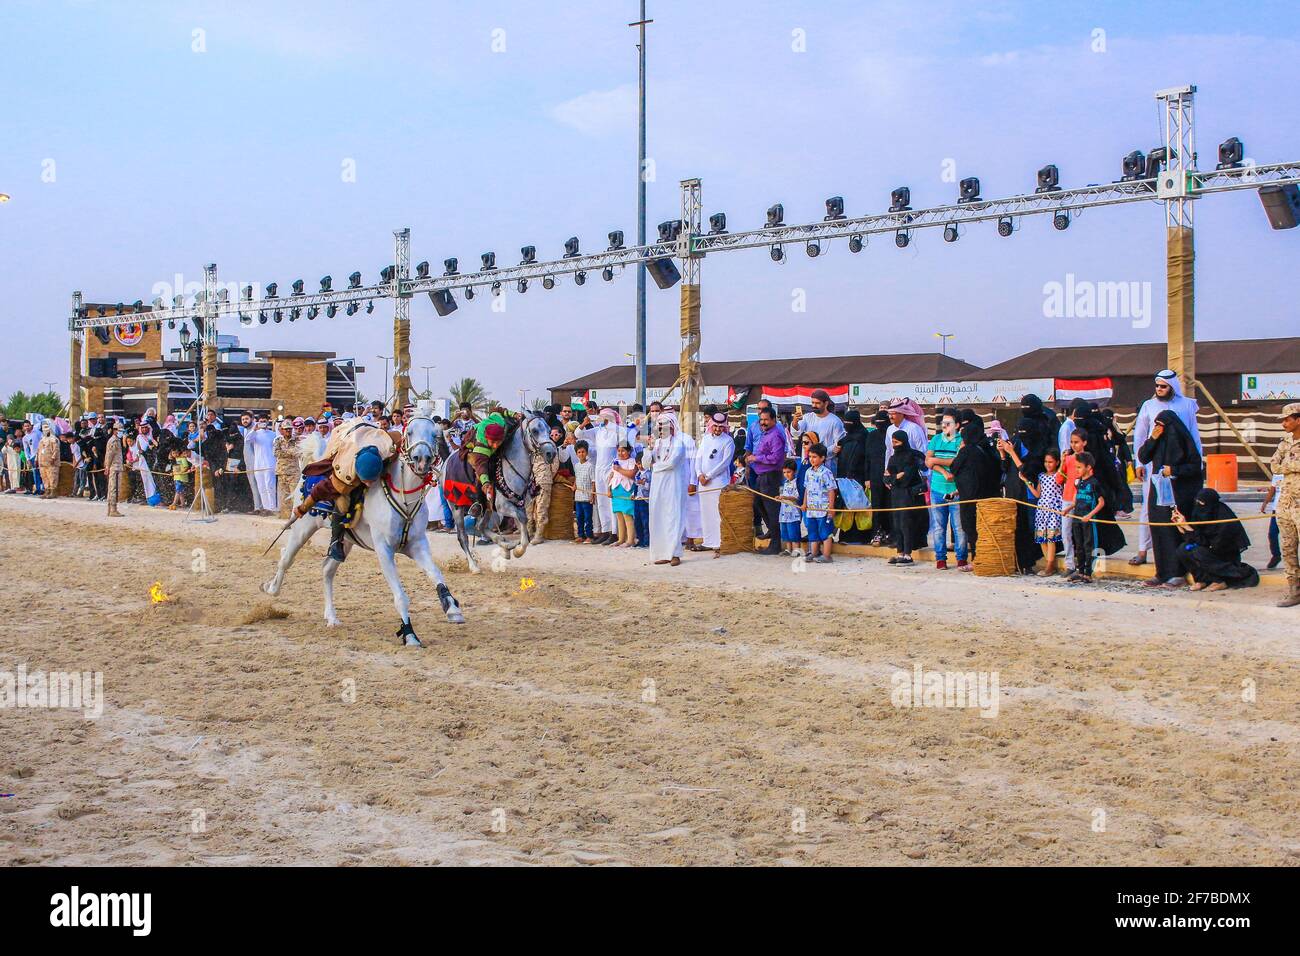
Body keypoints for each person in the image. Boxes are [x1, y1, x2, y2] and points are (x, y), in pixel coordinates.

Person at [296, 415, 400, 561]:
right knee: (343, 503)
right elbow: (318, 491)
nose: (369, 484)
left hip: (368, 433)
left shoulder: (388, 448)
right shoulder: (344, 472)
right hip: (342, 438)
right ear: (357, 474)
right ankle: (335, 541)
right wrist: (302, 508)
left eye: (372, 480)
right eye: (366, 481)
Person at [1131, 371, 1203, 565]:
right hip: (1154, 464)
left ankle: (1184, 555)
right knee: (1149, 507)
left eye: (1163, 386)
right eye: (1157, 386)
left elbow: (1194, 435)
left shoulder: (1187, 404)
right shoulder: (1149, 405)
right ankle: (1143, 550)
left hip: (1180, 465)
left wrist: (1199, 462)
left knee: (1180, 509)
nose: (1159, 389)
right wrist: (1139, 463)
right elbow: (1140, 435)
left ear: (1172, 386)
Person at [1137, 409, 1203, 588]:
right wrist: (1153, 439)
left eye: (1162, 426)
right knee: (1159, 531)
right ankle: (1162, 572)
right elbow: (1143, 456)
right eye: (1156, 425)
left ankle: (1177, 573)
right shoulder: (1156, 441)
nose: (1159, 428)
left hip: (1178, 493)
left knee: (1174, 533)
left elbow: (1195, 466)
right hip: (1158, 493)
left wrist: (1174, 470)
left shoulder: (1183, 441)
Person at [1171, 489, 1259, 591]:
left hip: (1224, 555)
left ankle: (1219, 581)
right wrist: (1181, 526)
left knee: (1198, 551)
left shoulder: (1224, 519)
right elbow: (1194, 538)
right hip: (1207, 550)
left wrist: (1187, 527)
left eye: (1202, 503)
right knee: (1183, 549)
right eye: (1197, 502)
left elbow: (1212, 545)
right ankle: (1201, 580)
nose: (1199, 506)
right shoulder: (1199, 514)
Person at [926, 412, 967, 570]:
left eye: (948, 423)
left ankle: (961, 559)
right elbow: (927, 461)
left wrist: (935, 460)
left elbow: (956, 461)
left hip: (956, 490)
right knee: (939, 527)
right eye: (943, 423)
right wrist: (944, 471)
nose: (944, 426)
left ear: (957, 425)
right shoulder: (935, 439)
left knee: (959, 527)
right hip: (937, 489)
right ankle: (940, 559)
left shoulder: (961, 441)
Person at [648, 410, 689, 566]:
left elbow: (671, 463)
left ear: (672, 427)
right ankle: (662, 553)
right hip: (657, 485)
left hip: (673, 485)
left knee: (673, 518)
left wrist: (655, 466)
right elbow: (646, 463)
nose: (661, 429)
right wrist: (648, 448)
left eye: (664, 425)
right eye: (659, 426)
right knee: (658, 517)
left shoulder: (679, 443)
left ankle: (675, 554)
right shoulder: (657, 443)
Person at [1270, 402, 1300, 608]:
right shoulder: (1285, 441)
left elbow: (1282, 465)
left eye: (1287, 419)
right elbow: (1274, 465)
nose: (1283, 423)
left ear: (1298, 420)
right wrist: (1292, 467)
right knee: (1288, 548)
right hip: (1285, 502)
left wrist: (1286, 466)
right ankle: (1294, 590)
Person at [746, 408, 786, 555]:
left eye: (766, 419)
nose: (763, 422)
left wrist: (756, 458)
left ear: (774, 420)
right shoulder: (766, 433)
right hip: (761, 475)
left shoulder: (775, 435)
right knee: (758, 503)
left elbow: (776, 458)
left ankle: (775, 544)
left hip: (770, 476)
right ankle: (772, 532)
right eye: (761, 419)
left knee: (772, 509)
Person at [884, 429, 927, 565]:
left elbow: (907, 478)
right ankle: (900, 552)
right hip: (896, 495)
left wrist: (893, 478)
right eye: (892, 442)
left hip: (909, 496)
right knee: (896, 523)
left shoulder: (911, 457)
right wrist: (895, 476)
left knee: (906, 524)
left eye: (896, 442)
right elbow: (886, 478)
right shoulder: (893, 457)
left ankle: (908, 554)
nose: (894, 445)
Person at [1062, 452, 1105, 583]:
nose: (1077, 470)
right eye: (1076, 467)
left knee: (1088, 546)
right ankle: (1080, 571)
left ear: (1088, 467)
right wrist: (1067, 509)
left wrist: (1089, 515)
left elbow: (1101, 502)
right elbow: (1076, 501)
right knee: (1078, 546)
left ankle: (1088, 573)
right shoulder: (1079, 483)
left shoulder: (1094, 483)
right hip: (1077, 518)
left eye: (1079, 467)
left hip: (1088, 520)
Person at [695, 412, 734, 555]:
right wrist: (699, 474)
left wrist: (709, 476)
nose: (717, 429)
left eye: (720, 427)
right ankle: (708, 542)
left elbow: (725, 463)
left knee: (718, 512)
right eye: (715, 426)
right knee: (705, 513)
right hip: (703, 482)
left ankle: (719, 543)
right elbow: (698, 458)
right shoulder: (705, 439)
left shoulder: (728, 441)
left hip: (718, 482)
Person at [801, 443, 837, 563]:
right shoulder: (808, 472)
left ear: (822, 458)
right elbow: (807, 489)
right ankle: (814, 553)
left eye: (815, 457)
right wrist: (804, 503)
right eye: (810, 456)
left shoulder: (826, 472)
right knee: (812, 532)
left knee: (825, 532)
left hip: (823, 509)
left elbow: (831, 490)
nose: (812, 459)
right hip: (811, 509)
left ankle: (827, 555)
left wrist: (831, 508)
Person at [795, 390, 846, 474]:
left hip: (827, 463)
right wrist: (795, 422)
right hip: (809, 462)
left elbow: (838, 444)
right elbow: (796, 432)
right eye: (813, 403)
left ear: (826, 403)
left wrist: (820, 453)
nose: (814, 405)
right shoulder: (807, 417)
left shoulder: (835, 421)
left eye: (817, 403)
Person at [609, 442, 637, 548]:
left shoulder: (632, 461)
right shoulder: (615, 462)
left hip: (627, 489)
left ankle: (630, 540)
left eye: (623, 450)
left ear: (629, 451)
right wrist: (609, 489)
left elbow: (631, 474)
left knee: (627, 515)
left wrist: (619, 469)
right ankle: (621, 539)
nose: (621, 453)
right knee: (619, 515)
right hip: (616, 489)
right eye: (619, 450)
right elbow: (611, 476)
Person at [273, 419, 301, 519]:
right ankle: (286, 517)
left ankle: (296, 518)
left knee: (295, 496)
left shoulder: (297, 440)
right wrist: (289, 452)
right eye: (286, 429)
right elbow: (276, 453)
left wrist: (285, 451)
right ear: (282, 430)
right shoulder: (278, 440)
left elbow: (298, 452)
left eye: (289, 429)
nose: (288, 431)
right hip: (281, 472)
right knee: (284, 497)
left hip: (294, 472)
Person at [776, 460, 802, 556]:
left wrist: (785, 497)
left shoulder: (797, 483)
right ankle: (788, 549)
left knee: (793, 532)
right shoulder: (785, 483)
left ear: (794, 471)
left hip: (793, 513)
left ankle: (796, 550)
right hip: (784, 513)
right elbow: (783, 496)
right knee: (785, 532)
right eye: (784, 472)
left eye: (789, 472)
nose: (786, 474)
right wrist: (780, 498)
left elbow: (797, 497)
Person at [572, 440, 595, 544]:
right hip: (578, 497)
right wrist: (574, 486)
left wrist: (592, 495)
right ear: (576, 454)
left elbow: (593, 481)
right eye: (579, 452)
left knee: (587, 517)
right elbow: (577, 478)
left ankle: (589, 536)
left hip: (587, 497)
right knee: (579, 517)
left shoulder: (590, 466)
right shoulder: (576, 466)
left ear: (587, 453)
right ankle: (581, 535)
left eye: (583, 452)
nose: (581, 454)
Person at [104, 420, 127, 517]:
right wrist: (107, 466)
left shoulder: (116, 440)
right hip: (115, 467)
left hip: (115, 466)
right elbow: (110, 455)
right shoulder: (114, 441)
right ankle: (113, 509)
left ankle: (111, 509)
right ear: (114, 430)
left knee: (113, 488)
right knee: (114, 488)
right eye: (119, 430)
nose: (121, 432)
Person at [1263, 468, 1284, 570]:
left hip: (1291, 508)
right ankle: (1276, 555)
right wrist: (1265, 503)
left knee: (1293, 536)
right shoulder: (1278, 473)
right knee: (1272, 533)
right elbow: (1273, 489)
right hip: (1276, 509)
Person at [36, 421, 60, 499]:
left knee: (52, 476)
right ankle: (47, 491)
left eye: (46, 427)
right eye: (43, 428)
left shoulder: (54, 439)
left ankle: (53, 492)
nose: (45, 429)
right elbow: (39, 450)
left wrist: (53, 458)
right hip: (42, 462)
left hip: (51, 462)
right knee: (44, 476)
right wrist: (37, 459)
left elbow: (56, 450)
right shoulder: (42, 439)